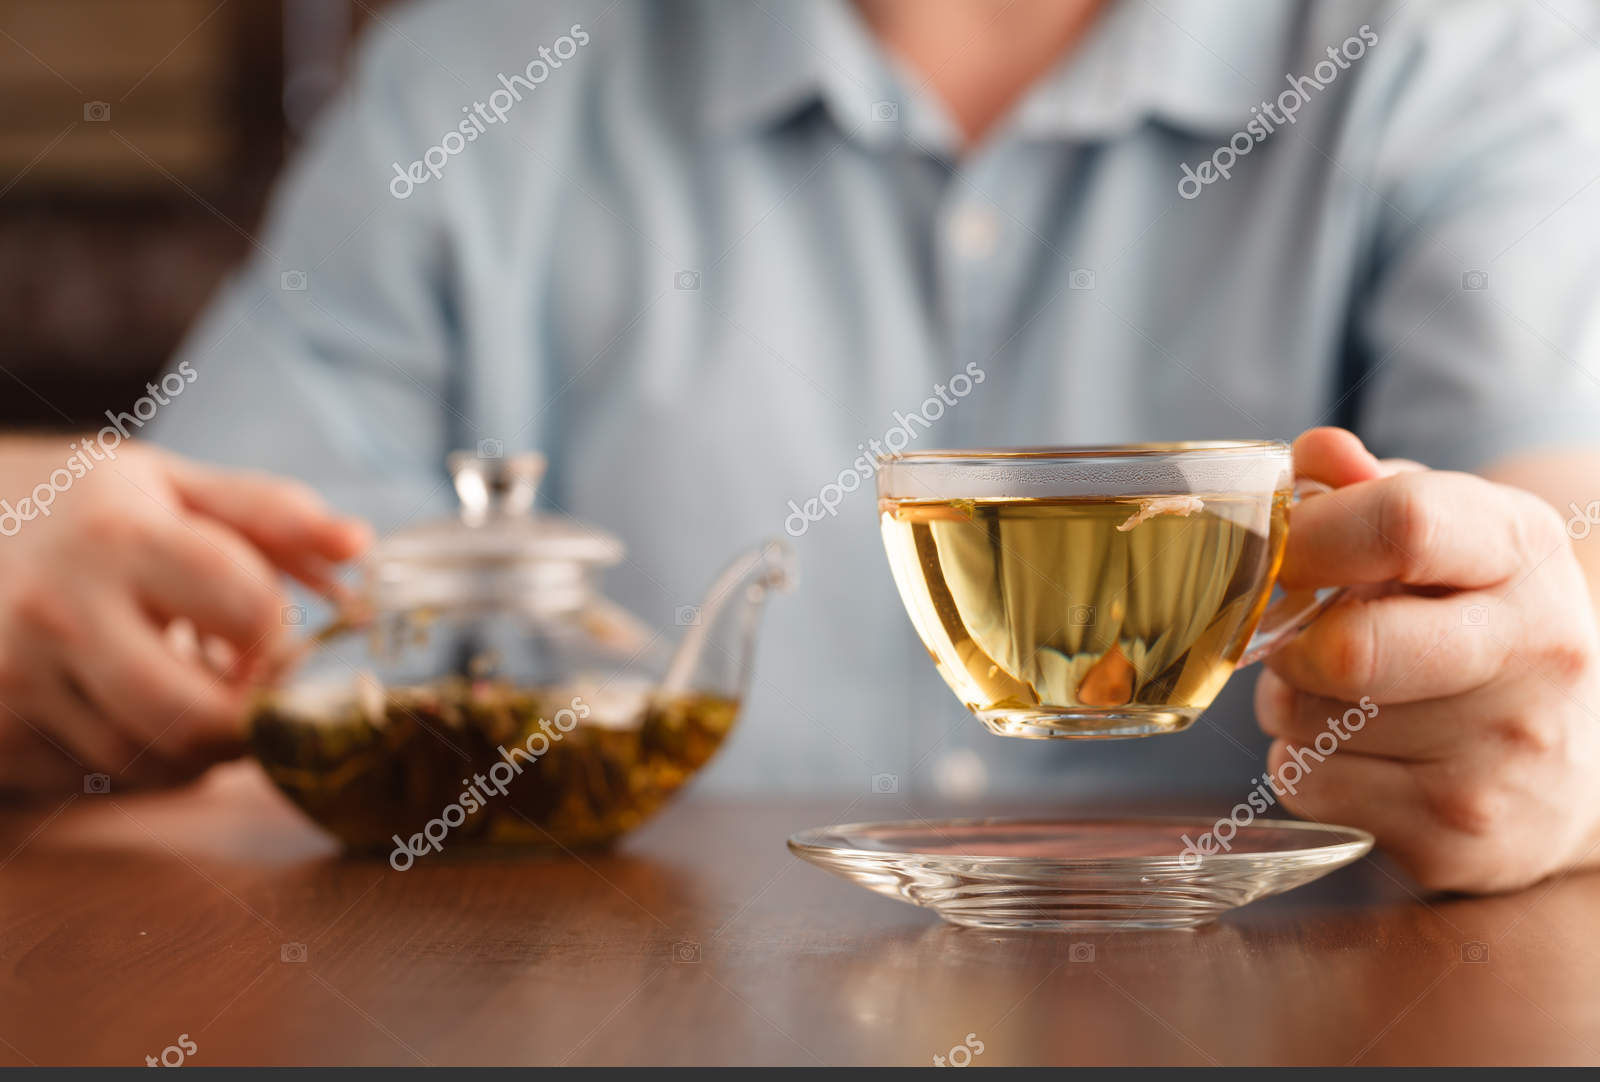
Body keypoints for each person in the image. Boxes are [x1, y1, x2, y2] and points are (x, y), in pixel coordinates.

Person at [2, 0, 1599, 894]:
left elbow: (1559, 561)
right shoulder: (479, 75)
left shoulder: (1460, 51)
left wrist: (1550, 717)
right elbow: (198, 626)